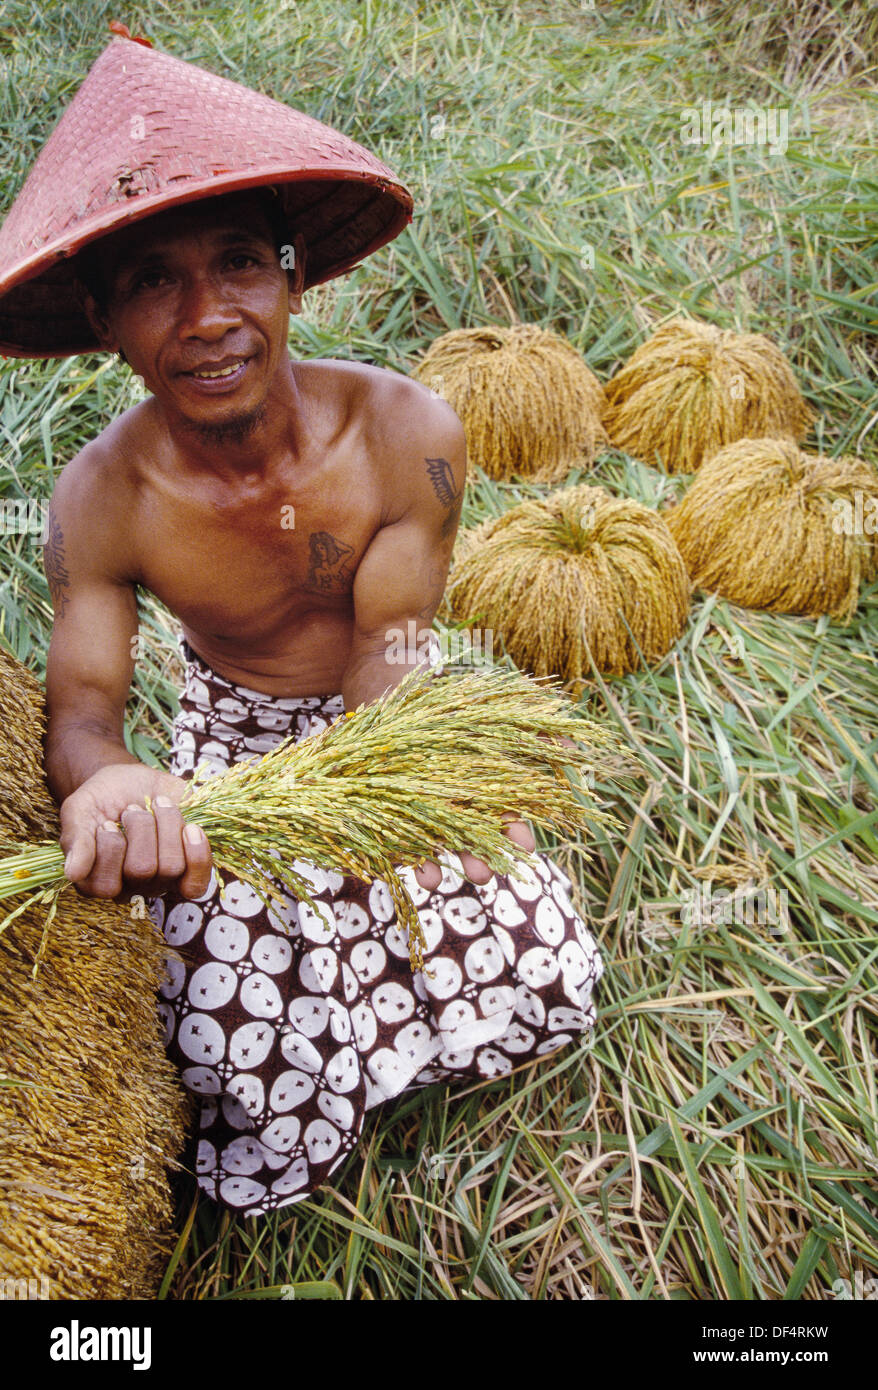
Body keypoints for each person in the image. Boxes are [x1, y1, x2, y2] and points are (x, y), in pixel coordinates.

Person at [0, 32, 604, 1216]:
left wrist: (410, 794)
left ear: (292, 278)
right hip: (230, 736)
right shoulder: (97, 500)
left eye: (238, 265)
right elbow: (83, 714)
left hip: (391, 712)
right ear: (105, 317)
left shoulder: (406, 432)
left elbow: (392, 651)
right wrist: (114, 783)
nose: (207, 316)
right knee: (221, 1002)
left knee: (536, 958)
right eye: (153, 281)